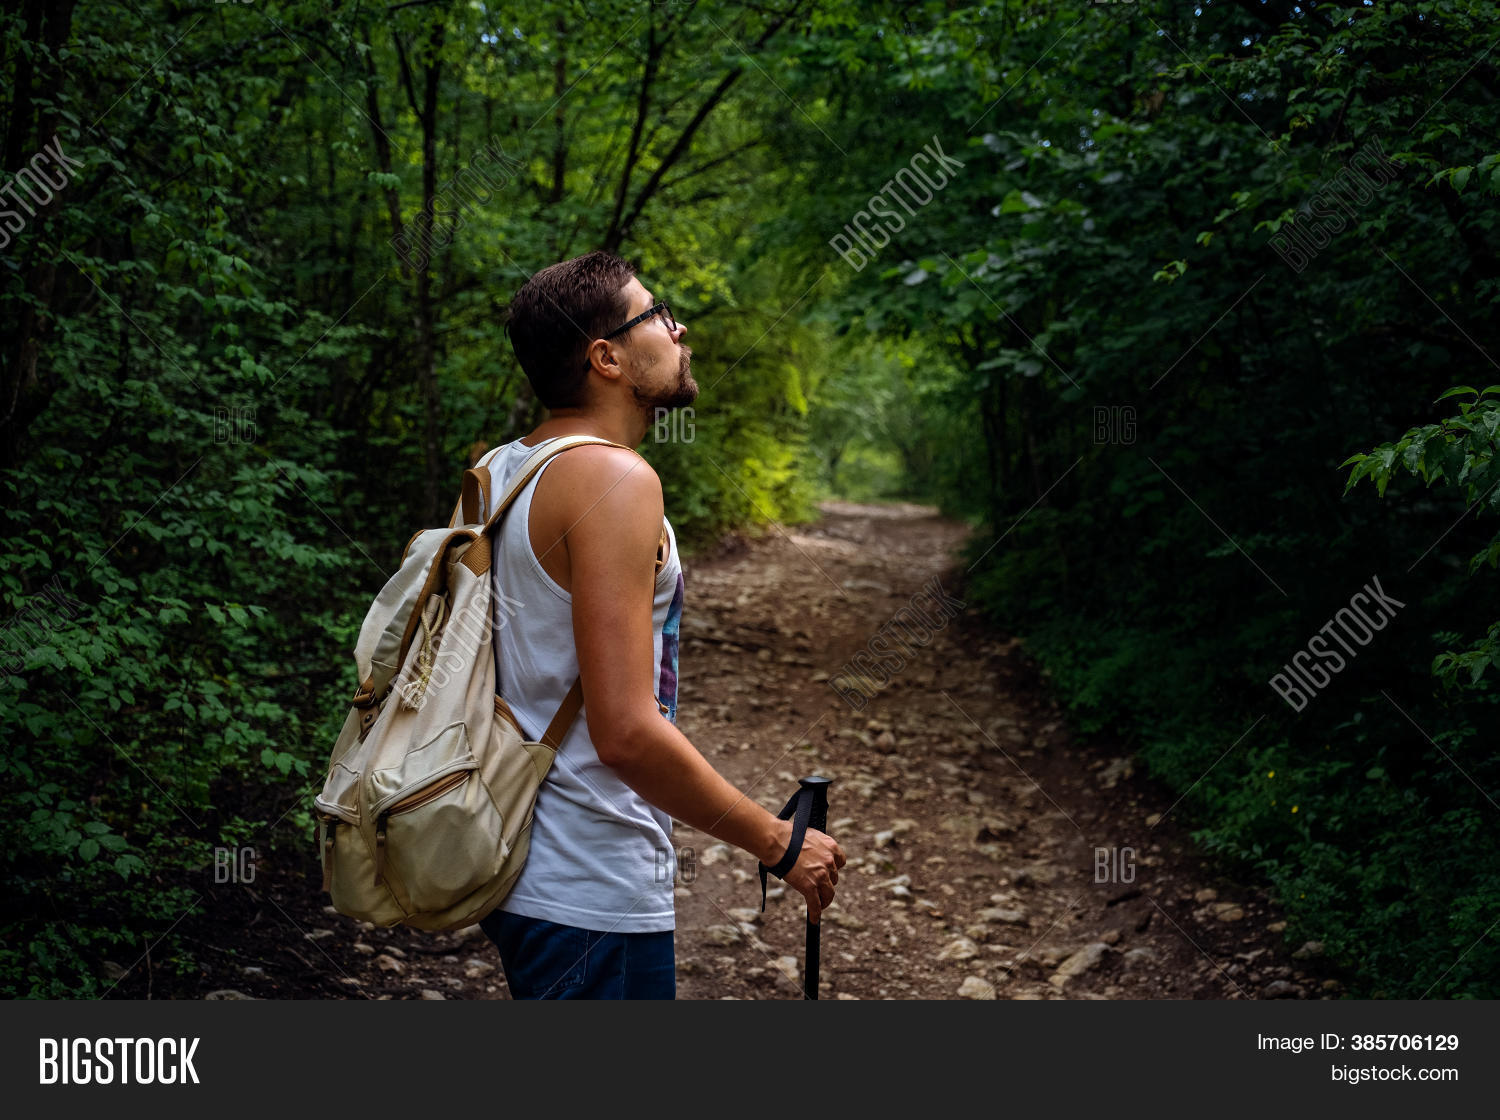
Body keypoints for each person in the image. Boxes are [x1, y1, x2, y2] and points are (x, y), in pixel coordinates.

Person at [472, 250, 845, 999]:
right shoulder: (613, 478)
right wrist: (776, 842)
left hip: (519, 864)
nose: (680, 330)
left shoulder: (504, 469)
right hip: (589, 885)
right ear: (605, 357)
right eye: (656, 315)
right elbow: (626, 733)